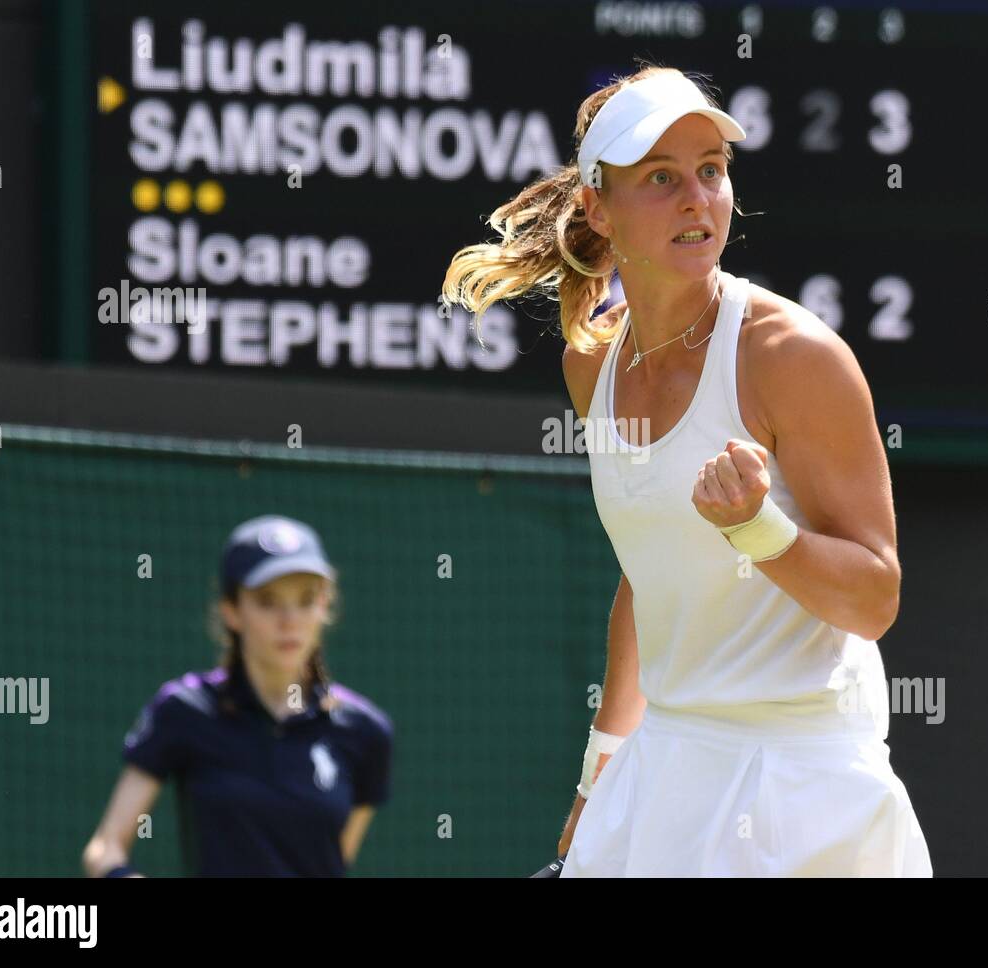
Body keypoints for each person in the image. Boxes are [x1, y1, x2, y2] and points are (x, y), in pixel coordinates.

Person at [443, 65, 932, 876]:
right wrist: (602, 767)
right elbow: (651, 574)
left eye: (711, 171)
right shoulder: (591, 365)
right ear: (598, 207)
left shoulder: (792, 357)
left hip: (803, 788)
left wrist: (760, 530)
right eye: (661, 178)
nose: (697, 198)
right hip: (664, 768)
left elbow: (875, 598)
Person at [81, 515, 393, 877]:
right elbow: (105, 849)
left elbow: (333, 861)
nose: (289, 620)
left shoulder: (365, 732)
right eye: (267, 601)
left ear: (325, 607)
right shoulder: (184, 711)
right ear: (231, 611)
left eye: (307, 600)